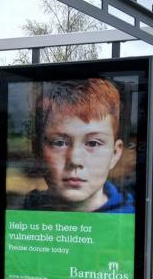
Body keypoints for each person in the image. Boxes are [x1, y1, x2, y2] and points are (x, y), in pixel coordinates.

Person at [21, 78, 134, 213]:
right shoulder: (24, 213)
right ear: (37, 151)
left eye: (93, 143)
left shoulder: (127, 221)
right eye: (59, 143)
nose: (75, 160)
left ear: (115, 154)